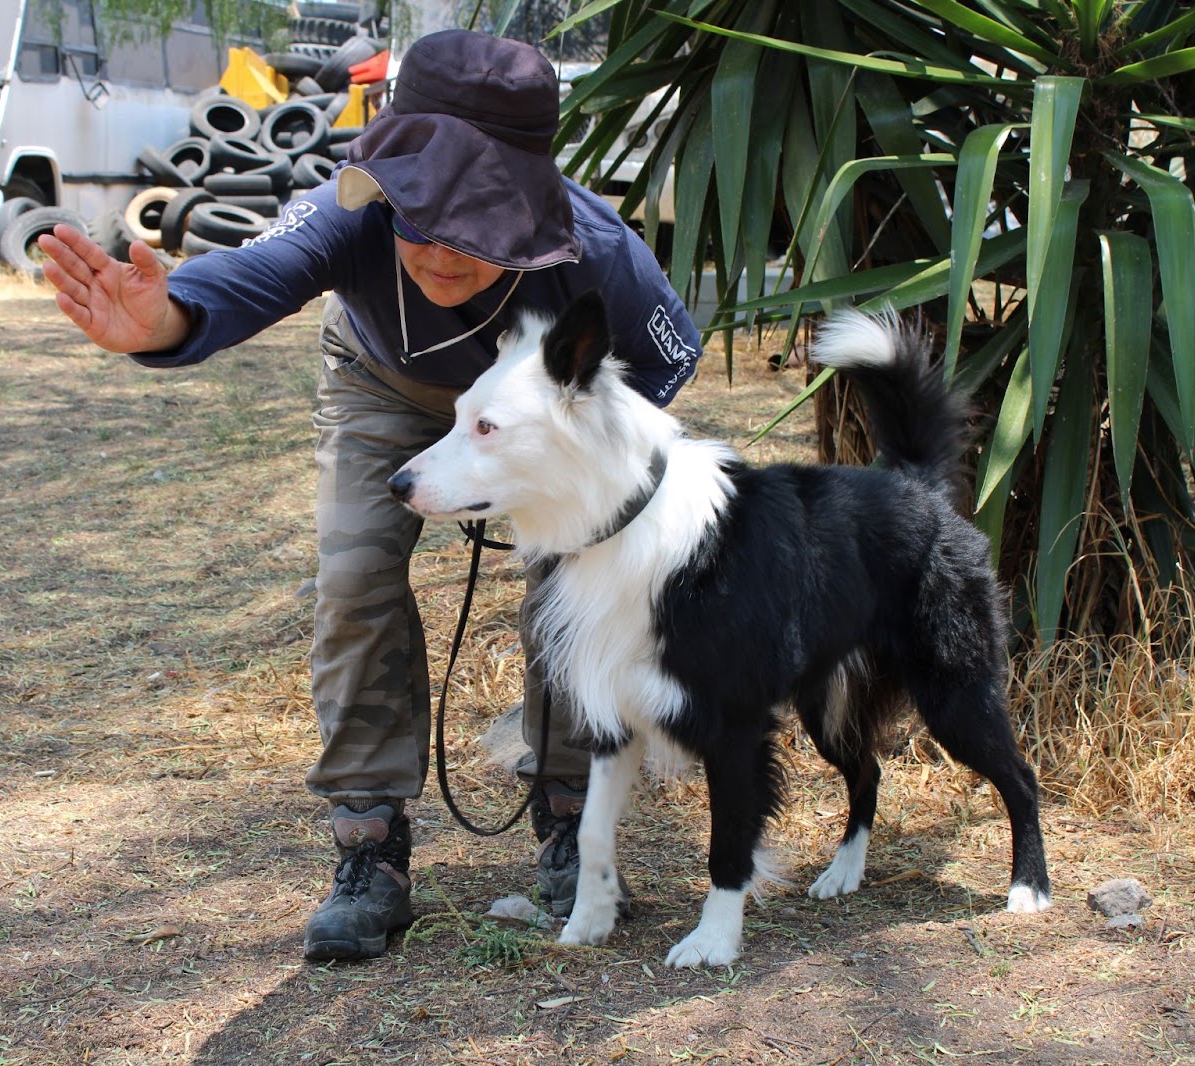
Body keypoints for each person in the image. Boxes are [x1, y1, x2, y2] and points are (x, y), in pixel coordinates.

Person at [37, 28, 702, 962]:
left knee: (569, 596)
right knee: (352, 581)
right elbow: (256, 272)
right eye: (417, 213)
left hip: (541, 420)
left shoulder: (595, 255)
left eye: (468, 226)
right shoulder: (353, 213)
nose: (433, 249)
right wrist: (171, 314)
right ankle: (369, 845)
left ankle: (567, 823)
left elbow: (665, 371)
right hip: (381, 384)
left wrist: (551, 470)